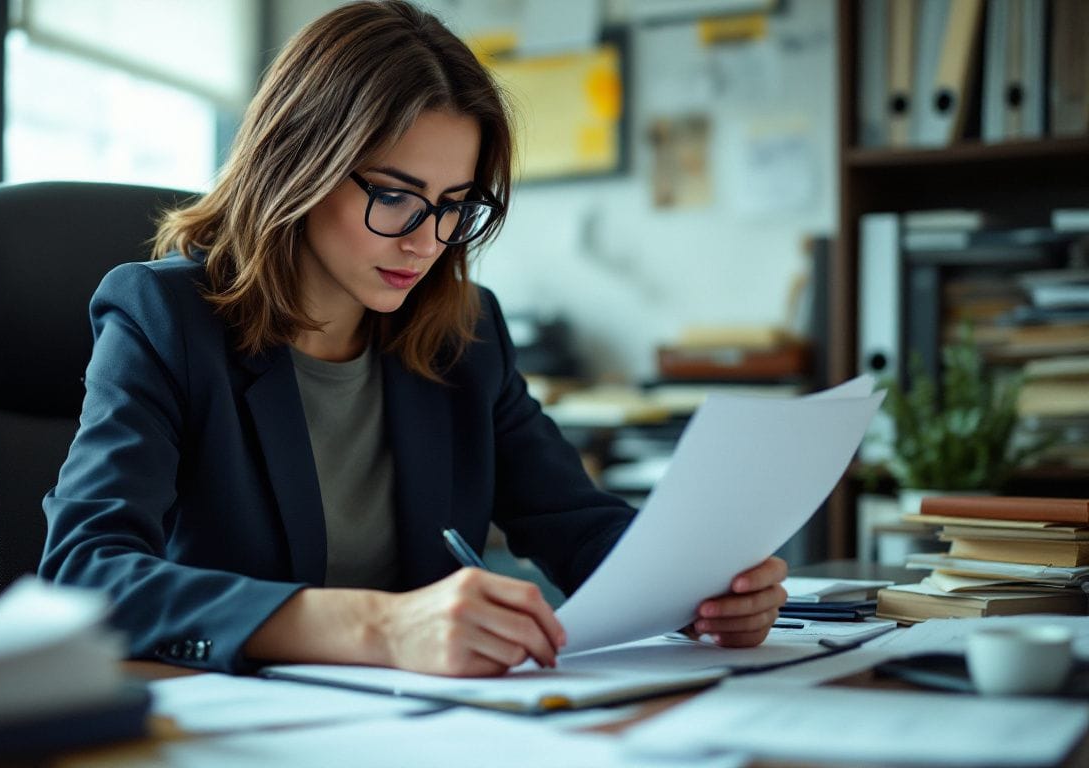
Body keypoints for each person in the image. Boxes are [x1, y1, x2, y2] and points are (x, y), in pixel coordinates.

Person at [38, 0, 787, 678]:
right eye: (395, 196)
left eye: (454, 205)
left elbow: (575, 523)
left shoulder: (466, 333)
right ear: (299, 164)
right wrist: (378, 625)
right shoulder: (165, 319)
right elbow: (84, 574)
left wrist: (700, 587)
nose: (427, 241)